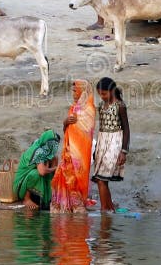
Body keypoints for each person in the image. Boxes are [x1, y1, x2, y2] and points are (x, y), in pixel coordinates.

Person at [51, 80, 96, 213]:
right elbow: (67, 130)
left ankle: (77, 205)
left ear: (82, 92)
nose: (73, 94)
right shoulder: (73, 108)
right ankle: (65, 206)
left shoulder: (89, 109)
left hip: (80, 153)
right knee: (65, 176)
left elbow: (87, 131)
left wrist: (75, 124)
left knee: (76, 178)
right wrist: (65, 122)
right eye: (72, 91)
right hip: (69, 150)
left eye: (75, 91)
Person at [92, 77, 129, 212]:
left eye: (104, 93)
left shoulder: (120, 106)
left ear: (112, 91)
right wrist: (97, 148)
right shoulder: (101, 105)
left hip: (115, 141)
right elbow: (100, 127)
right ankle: (110, 210)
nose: (102, 97)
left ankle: (103, 210)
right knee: (102, 179)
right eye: (100, 94)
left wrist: (124, 151)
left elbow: (126, 129)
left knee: (101, 179)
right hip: (102, 142)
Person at [14, 130, 62, 210]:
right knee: (35, 173)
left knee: (53, 162)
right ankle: (26, 199)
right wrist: (55, 168)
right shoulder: (38, 150)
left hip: (35, 179)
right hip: (21, 184)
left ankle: (50, 198)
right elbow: (42, 172)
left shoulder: (46, 149)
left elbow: (52, 175)